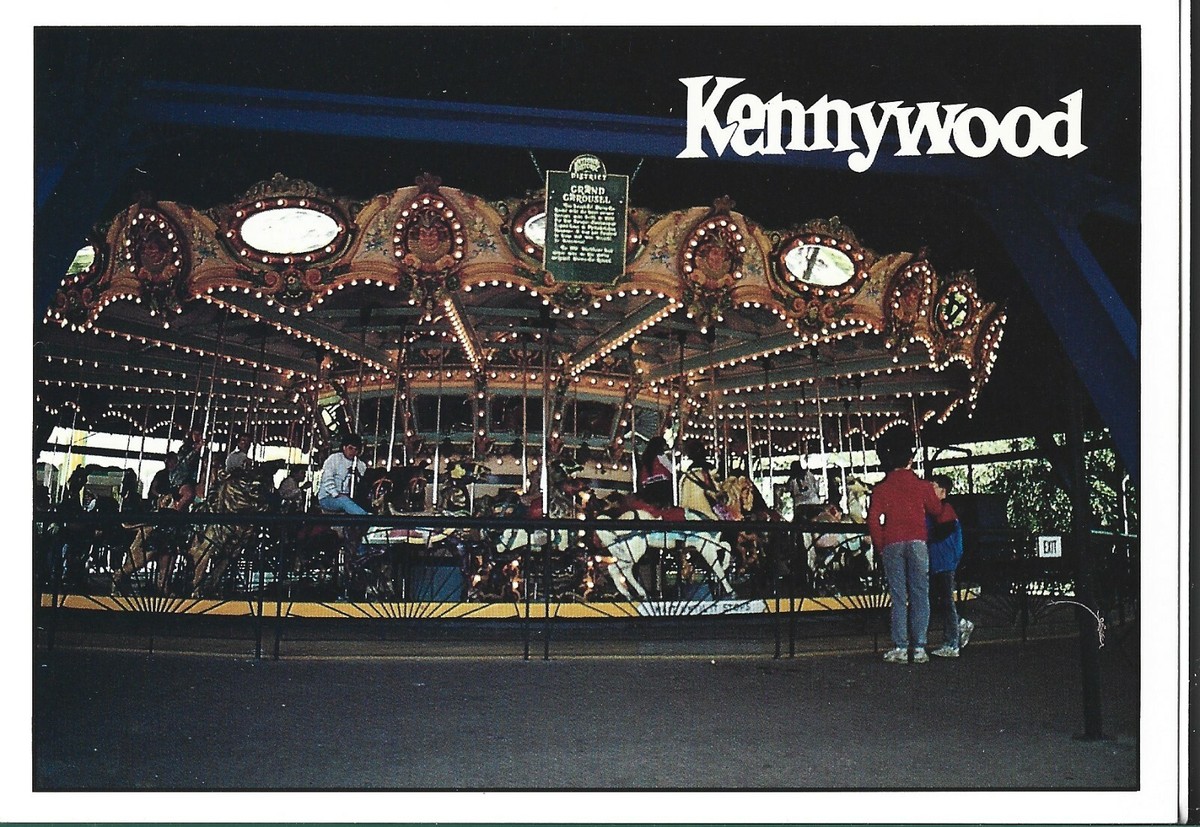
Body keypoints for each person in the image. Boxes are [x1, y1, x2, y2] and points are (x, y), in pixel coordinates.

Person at [866, 431, 956, 664]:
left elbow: (873, 519)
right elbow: (936, 510)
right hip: (917, 542)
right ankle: (919, 647)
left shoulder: (881, 489)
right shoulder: (923, 486)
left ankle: (900, 645)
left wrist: (880, 545)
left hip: (892, 543)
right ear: (910, 459)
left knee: (898, 595)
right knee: (920, 594)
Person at [927, 475, 974, 657]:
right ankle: (958, 627)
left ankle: (952, 642)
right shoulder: (940, 511)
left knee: (945, 600)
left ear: (943, 491)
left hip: (944, 561)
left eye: (934, 487)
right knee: (942, 600)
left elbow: (940, 533)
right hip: (940, 561)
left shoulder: (945, 510)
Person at [169, 429, 204, 510]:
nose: (199, 436)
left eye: (200, 434)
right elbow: (185, 463)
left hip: (196, 477)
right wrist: (195, 450)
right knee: (189, 494)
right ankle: (178, 511)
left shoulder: (204, 450)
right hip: (182, 479)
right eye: (196, 433)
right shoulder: (185, 449)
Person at [637, 435, 675, 509]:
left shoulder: (646, 458)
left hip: (649, 487)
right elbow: (671, 469)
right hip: (662, 486)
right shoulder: (661, 456)